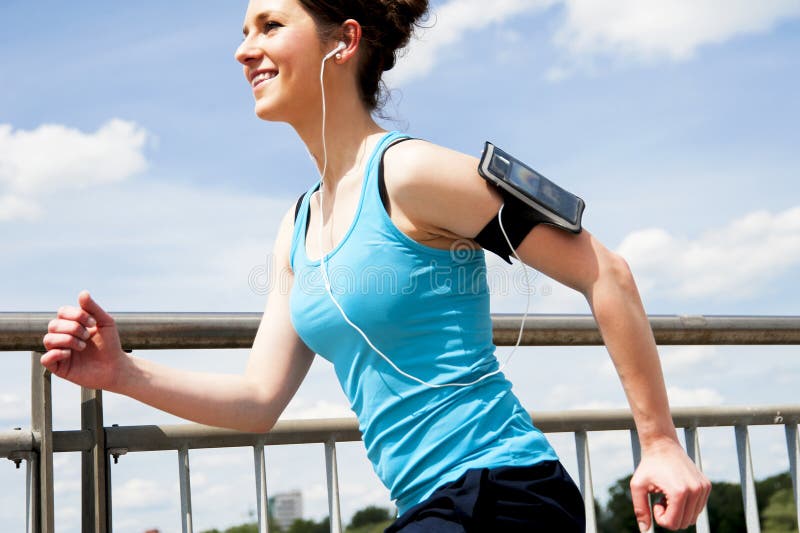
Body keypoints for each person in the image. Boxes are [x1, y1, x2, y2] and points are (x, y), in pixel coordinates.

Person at [41, 0, 711, 531]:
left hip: (502, 490)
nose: (245, 49)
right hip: (433, 507)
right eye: (244, 30)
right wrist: (122, 372)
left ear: (344, 41)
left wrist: (658, 443)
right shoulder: (296, 227)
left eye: (270, 25)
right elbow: (258, 399)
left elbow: (606, 272)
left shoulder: (410, 172)